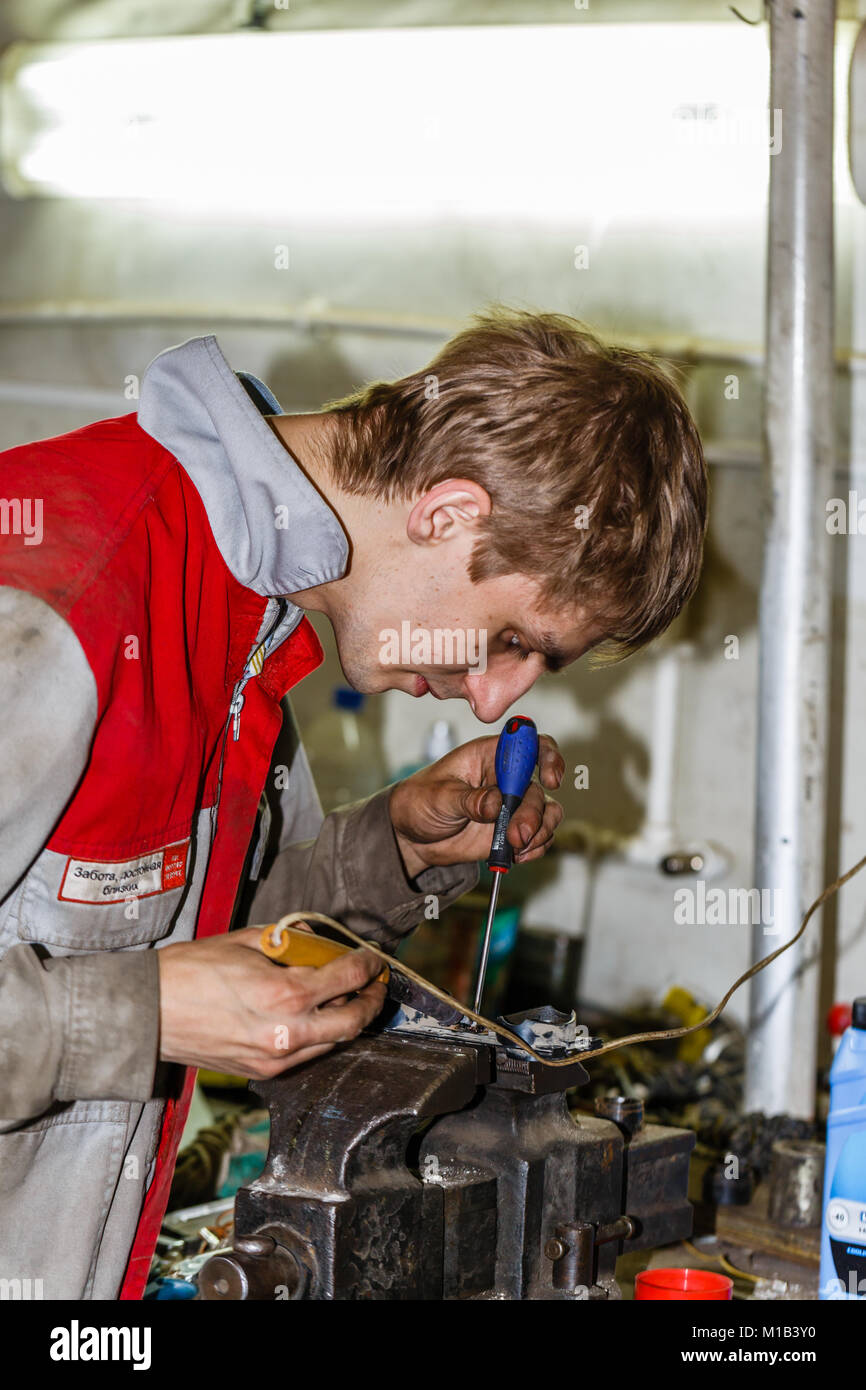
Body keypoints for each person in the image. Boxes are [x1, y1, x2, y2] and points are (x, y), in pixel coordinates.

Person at [0, 306, 706, 1297]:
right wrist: (141, 1016)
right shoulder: (58, 595)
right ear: (447, 513)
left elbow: (191, 932)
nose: (495, 696)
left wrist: (394, 849)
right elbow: (141, 989)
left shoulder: (242, 627)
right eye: (512, 638)